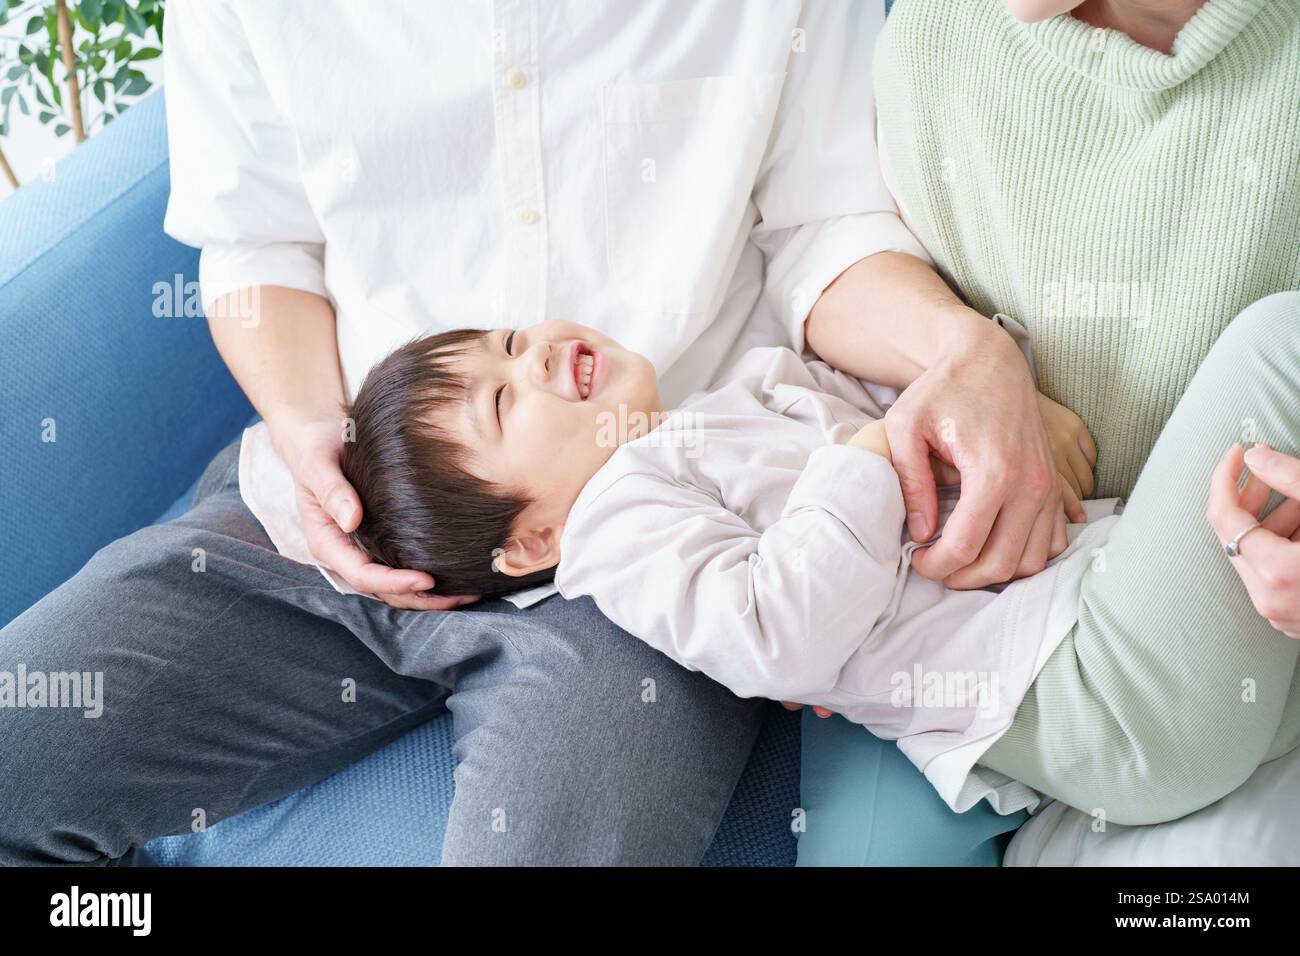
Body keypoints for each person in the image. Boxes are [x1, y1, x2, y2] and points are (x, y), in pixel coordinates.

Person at [6, 1, 1070, 865]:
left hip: (653, 555)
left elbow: (823, 227)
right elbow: (255, 246)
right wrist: (307, 431)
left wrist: (962, 352)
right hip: (323, 512)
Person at [794, 0, 1300, 847]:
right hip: (1017, 643)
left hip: (1211, 667)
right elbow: (827, 267)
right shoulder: (929, 45)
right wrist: (973, 353)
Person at [332, 315, 1113, 813]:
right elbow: (777, 636)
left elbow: (889, 396)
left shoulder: (731, 394)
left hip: (1075, 592)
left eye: (507, 341)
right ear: (536, 542)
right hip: (1046, 668)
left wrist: (988, 389)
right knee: (1245, 362)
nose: (531, 354)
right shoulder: (618, 527)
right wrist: (873, 454)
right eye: (502, 403)